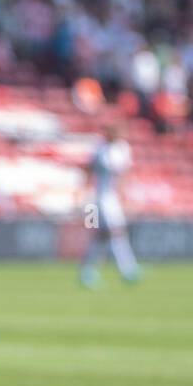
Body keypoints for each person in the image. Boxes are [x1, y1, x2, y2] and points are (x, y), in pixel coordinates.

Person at [80, 123, 141, 288]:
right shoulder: (100, 149)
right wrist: (83, 194)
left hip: (111, 199)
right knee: (113, 231)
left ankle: (88, 271)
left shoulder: (122, 148)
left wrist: (124, 196)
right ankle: (127, 269)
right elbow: (91, 171)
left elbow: (124, 174)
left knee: (104, 235)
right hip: (97, 200)